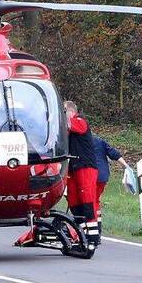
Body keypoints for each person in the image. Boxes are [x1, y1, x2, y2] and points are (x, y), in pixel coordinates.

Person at [64, 101, 100, 249]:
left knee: (86, 201)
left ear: (70, 112)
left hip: (85, 167)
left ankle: (92, 239)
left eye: (64, 111)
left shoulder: (80, 121)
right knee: (74, 202)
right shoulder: (70, 128)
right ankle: (81, 236)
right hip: (73, 168)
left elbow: (68, 125)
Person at [93, 133, 129, 238]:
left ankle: (92, 230)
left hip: (90, 175)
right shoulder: (99, 141)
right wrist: (126, 167)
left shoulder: (80, 142)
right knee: (96, 201)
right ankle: (97, 228)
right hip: (102, 176)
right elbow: (114, 154)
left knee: (89, 202)